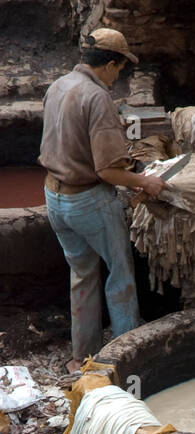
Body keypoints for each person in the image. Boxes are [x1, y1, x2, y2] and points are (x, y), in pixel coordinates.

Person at [39, 28, 166, 373]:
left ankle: (83, 358)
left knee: (82, 273)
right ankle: (126, 359)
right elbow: (108, 170)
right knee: (120, 274)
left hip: (54, 195)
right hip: (88, 200)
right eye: (120, 69)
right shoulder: (97, 98)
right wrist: (145, 181)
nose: (118, 76)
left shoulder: (58, 86)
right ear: (110, 64)